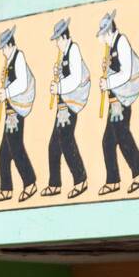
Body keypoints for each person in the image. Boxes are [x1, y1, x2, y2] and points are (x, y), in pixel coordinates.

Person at [96, 10, 139, 195]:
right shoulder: (112, 46)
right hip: (115, 100)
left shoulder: (122, 42)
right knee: (108, 141)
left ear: (109, 32)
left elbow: (126, 73)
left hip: (123, 99)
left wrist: (108, 81)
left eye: (102, 36)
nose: (102, 40)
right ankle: (114, 181)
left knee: (121, 137)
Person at [44, 18, 89, 198]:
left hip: (71, 103)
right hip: (64, 104)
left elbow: (76, 77)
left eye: (57, 39)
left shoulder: (73, 50)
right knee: (54, 145)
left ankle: (80, 179)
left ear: (64, 37)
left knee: (65, 140)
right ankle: (55, 184)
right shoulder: (65, 54)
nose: (56, 44)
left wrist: (59, 87)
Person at [0, 25, 38, 204]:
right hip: (10, 111)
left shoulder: (18, 57)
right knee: (4, 152)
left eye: (4, 47)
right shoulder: (9, 61)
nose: (3, 51)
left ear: (9, 45)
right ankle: (6, 188)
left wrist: (7, 93)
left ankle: (29, 183)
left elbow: (22, 83)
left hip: (16, 111)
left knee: (15, 147)